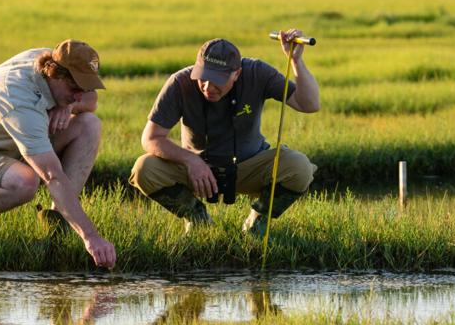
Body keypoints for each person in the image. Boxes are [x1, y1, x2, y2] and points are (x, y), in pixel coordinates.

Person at [0, 40, 116, 269]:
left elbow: (92, 102)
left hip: (12, 148)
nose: (80, 95)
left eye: (84, 87)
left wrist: (67, 105)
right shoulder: (18, 98)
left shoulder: (49, 62)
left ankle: (55, 236)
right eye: (75, 89)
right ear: (56, 75)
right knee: (25, 182)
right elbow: (52, 175)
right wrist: (91, 237)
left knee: (89, 125)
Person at [129, 30, 320, 237]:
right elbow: (151, 138)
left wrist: (296, 61)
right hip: (197, 172)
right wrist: (192, 161)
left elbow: (308, 104)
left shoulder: (257, 72)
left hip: (249, 165)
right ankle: (197, 219)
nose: (208, 86)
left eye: (217, 79)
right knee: (144, 169)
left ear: (236, 73)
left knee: (300, 167)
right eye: (203, 77)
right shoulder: (180, 82)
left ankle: (257, 223)